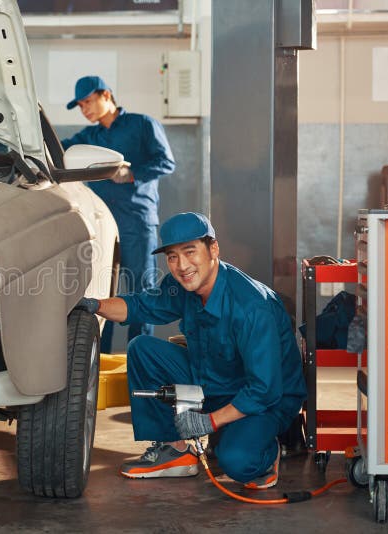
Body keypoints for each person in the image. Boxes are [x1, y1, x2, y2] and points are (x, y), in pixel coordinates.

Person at [76, 212, 306, 488]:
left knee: (238, 461)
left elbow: (265, 390)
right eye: (172, 256)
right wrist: (93, 304)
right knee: (143, 349)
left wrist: (209, 422)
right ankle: (177, 451)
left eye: (189, 251)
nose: (182, 265)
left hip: (266, 398)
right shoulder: (182, 286)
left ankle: (268, 454)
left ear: (214, 249)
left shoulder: (252, 306)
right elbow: (142, 305)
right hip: (215, 378)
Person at [63, 75, 175, 353]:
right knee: (104, 292)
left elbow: (166, 161)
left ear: (106, 95)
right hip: (102, 226)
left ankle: (138, 358)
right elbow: (59, 149)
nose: (85, 109)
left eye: (88, 101)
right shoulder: (89, 138)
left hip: (137, 223)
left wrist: (132, 173)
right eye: (80, 105)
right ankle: (98, 361)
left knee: (141, 291)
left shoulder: (143, 125)